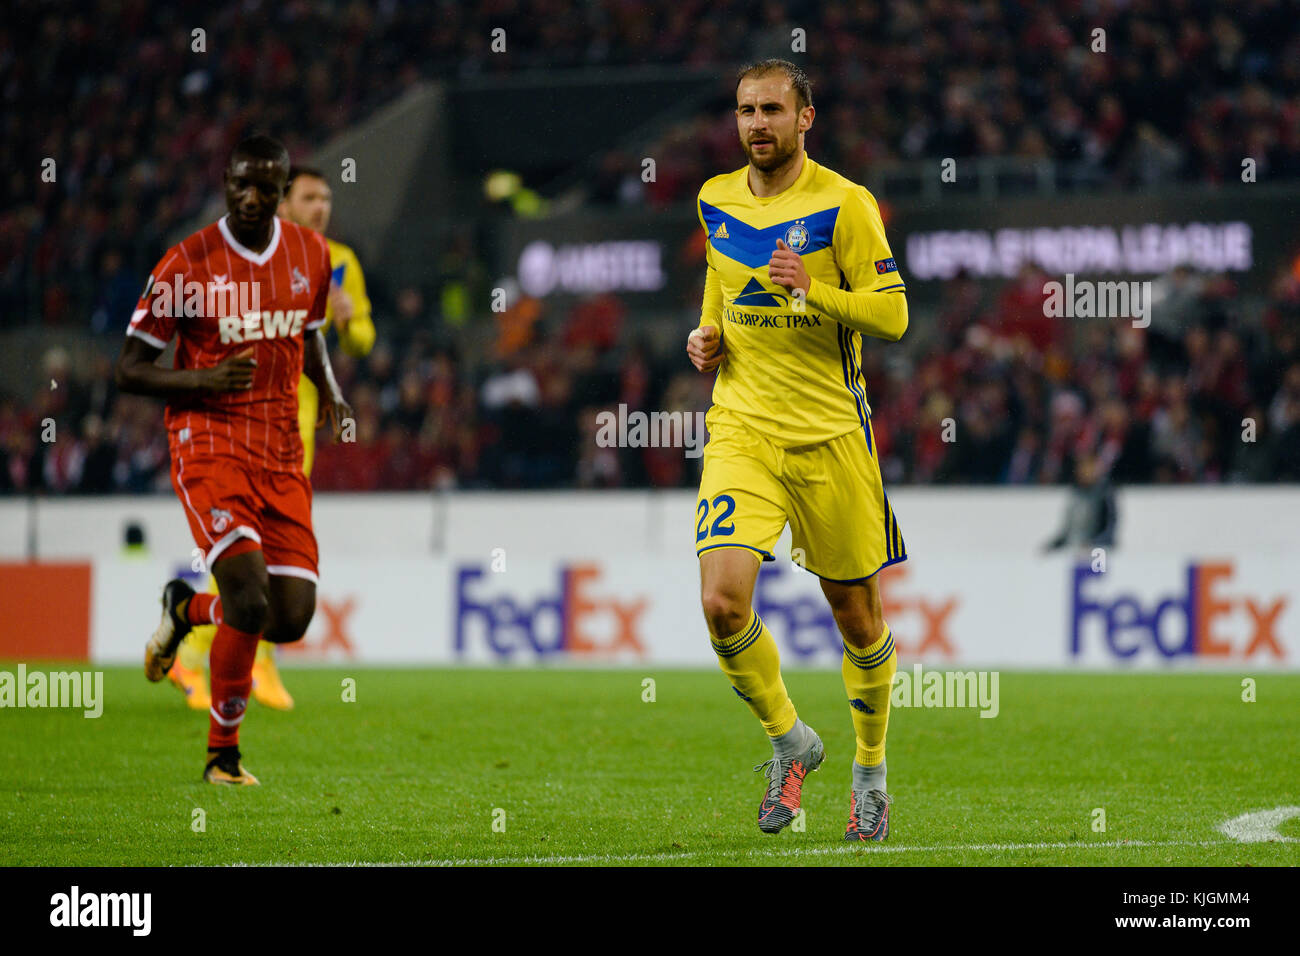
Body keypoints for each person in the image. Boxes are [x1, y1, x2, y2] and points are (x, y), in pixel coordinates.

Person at [686, 60, 909, 841]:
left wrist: (814, 293)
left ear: (805, 118)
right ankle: (791, 742)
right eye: (746, 110)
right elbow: (721, 279)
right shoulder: (714, 198)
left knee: (856, 615)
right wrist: (707, 335)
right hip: (742, 428)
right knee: (720, 602)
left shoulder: (846, 205)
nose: (757, 124)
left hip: (832, 436)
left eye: (773, 110)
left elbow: (893, 317)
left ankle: (870, 770)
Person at [114, 134, 351, 784]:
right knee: (247, 600)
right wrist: (200, 382)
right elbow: (130, 370)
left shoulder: (310, 253)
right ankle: (224, 757)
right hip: (211, 443)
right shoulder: (187, 263)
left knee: (291, 618)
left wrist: (329, 391)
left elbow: (311, 334)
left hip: (280, 450)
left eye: (264, 188)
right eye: (239, 185)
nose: (250, 198)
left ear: (279, 192)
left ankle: (185, 611)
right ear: (226, 183)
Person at [166, 164, 375, 712]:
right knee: (249, 551)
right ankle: (227, 658)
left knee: (272, 554)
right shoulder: (255, 258)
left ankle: (228, 652)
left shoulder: (340, 261)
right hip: (245, 419)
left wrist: (350, 322)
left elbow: (361, 342)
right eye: (310, 197)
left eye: (327, 198)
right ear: (283, 203)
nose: (321, 207)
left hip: (297, 423)